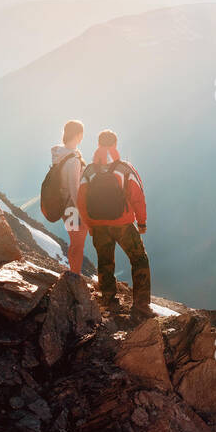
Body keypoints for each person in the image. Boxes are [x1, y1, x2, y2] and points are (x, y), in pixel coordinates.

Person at [78, 129, 152, 317]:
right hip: (123, 224)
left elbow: (81, 201)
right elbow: (138, 197)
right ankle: (141, 306)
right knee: (139, 259)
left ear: (98, 144)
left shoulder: (89, 171)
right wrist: (141, 223)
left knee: (105, 262)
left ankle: (109, 301)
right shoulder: (125, 168)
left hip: (98, 225)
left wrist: (90, 225)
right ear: (115, 145)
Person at [50, 120, 87, 275]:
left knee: (74, 243)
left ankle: (73, 274)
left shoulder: (60, 154)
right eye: (81, 134)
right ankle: (75, 277)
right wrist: (84, 212)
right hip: (73, 208)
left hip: (65, 206)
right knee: (78, 244)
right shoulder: (73, 160)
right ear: (78, 135)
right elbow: (74, 189)